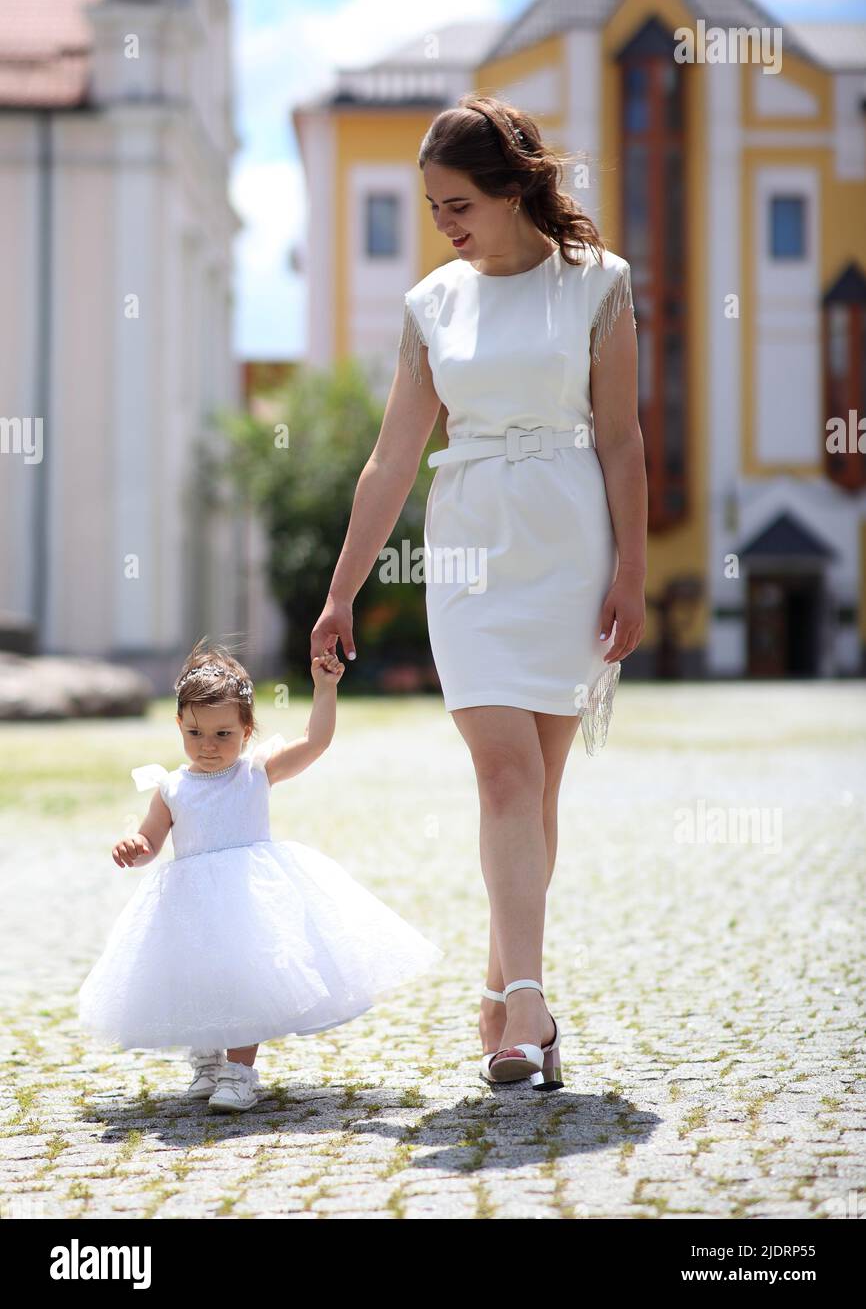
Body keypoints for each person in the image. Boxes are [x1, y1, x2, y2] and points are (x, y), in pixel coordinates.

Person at [311, 94, 646, 1093]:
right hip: (465, 554)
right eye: (429, 207)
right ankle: (531, 1001)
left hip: (567, 545)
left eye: (457, 201)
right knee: (501, 777)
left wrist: (633, 566)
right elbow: (389, 461)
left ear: (510, 190)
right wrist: (339, 593)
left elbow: (621, 439)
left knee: (535, 789)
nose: (444, 222)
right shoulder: (430, 305)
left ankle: (504, 992)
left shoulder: (599, 286)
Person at [77, 638, 444, 1111]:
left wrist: (324, 688)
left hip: (248, 900)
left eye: (223, 734)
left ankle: (240, 1070)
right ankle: (206, 1060)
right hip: (190, 906)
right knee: (201, 977)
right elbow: (152, 842)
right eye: (195, 733)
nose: (208, 746)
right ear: (179, 725)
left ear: (246, 730)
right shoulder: (170, 788)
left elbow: (316, 742)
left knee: (244, 978)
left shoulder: (255, 773)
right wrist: (136, 847)